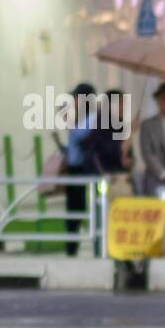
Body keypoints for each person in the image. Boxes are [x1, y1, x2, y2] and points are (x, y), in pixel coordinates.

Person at [62, 82, 96, 257]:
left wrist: (68, 121)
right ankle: (71, 247)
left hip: (83, 169)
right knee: (73, 208)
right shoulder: (80, 118)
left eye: (76, 98)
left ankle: (75, 247)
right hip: (74, 167)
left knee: (77, 208)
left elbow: (80, 135)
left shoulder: (92, 118)